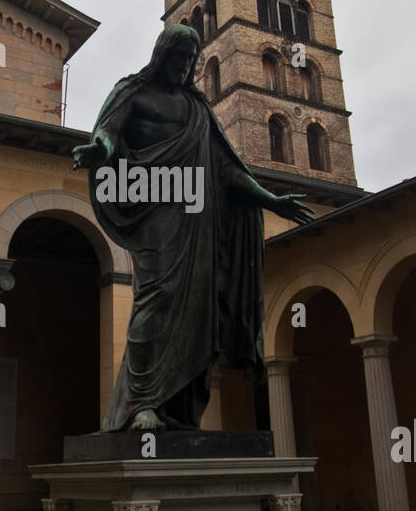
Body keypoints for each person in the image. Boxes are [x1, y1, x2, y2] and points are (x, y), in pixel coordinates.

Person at [72, 25, 314, 431]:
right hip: (151, 208)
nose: (184, 68)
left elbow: (225, 169)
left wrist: (270, 199)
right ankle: (140, 403)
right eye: (178, 59)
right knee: (156, 296)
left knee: (198, 307)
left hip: (195, 217)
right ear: (162, 55)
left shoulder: (197, 108)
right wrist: (101, 148)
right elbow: (109, 133)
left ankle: (178, 409)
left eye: (190, 61)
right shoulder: (133, 91)